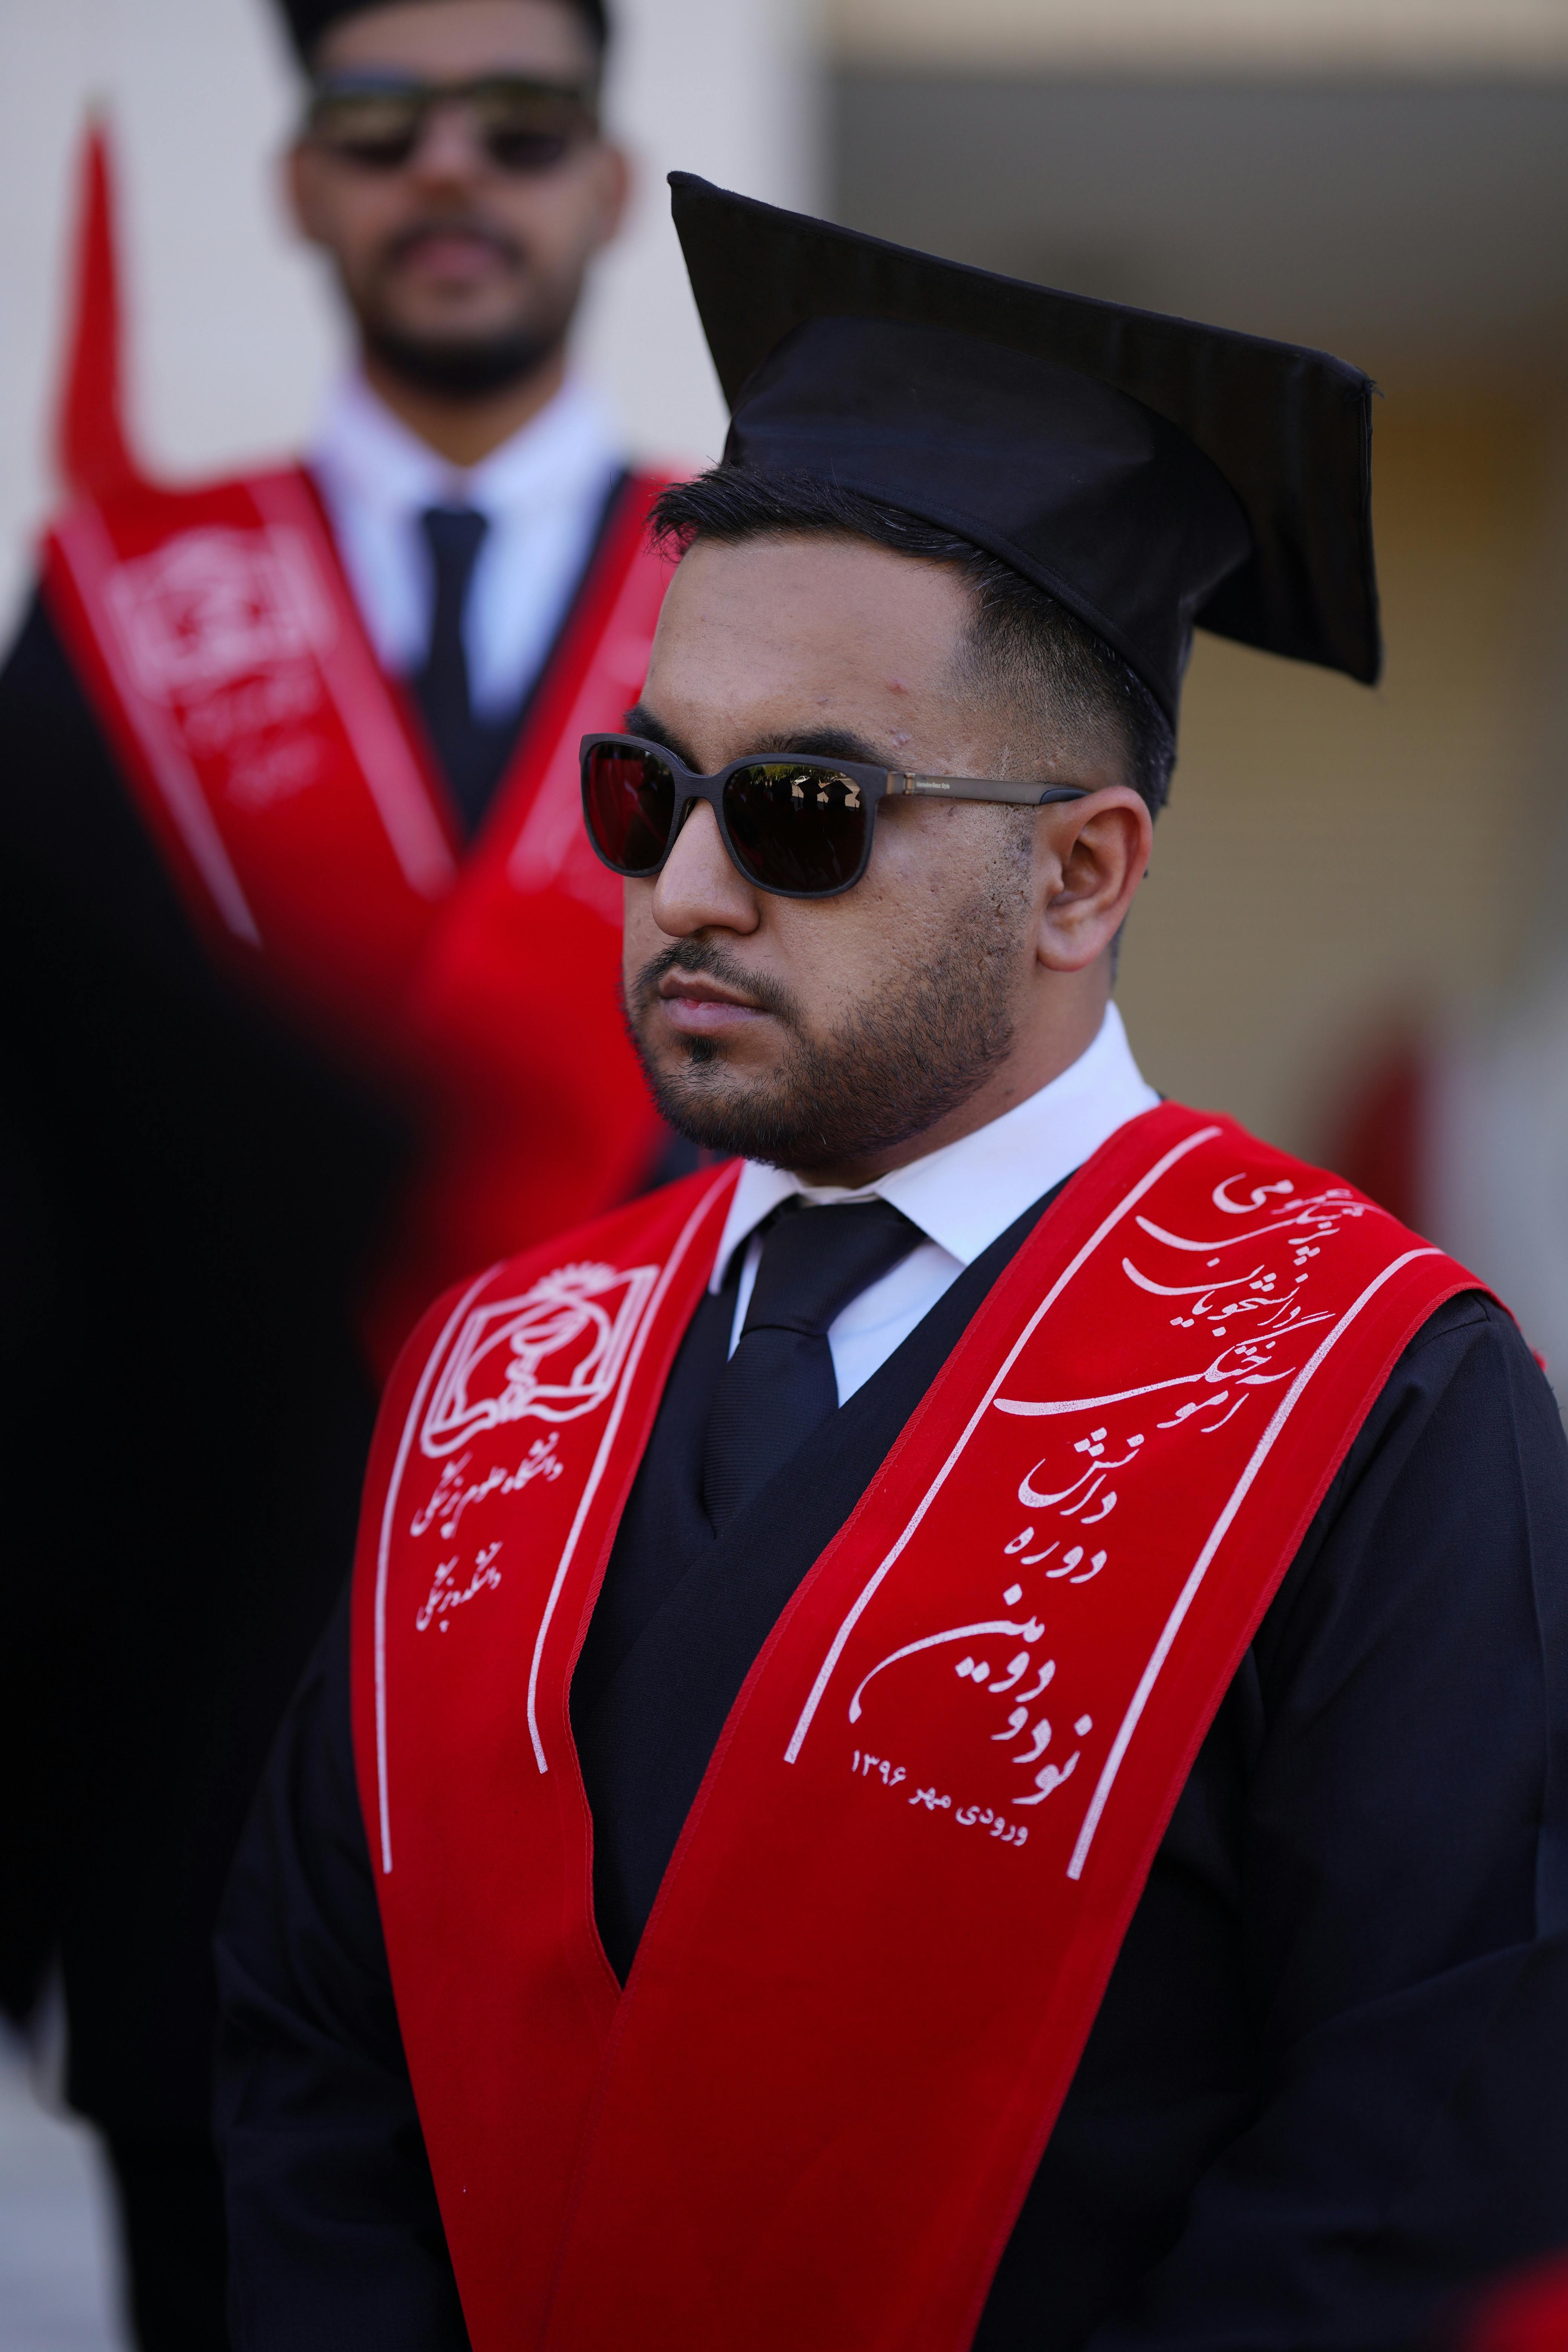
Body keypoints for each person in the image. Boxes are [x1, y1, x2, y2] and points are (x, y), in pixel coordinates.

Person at [213, 179, 1568, 2351]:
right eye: (648, 791)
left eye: (807, 812)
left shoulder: (1369, 1399)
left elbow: (1429, 2154)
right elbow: (309, 2048)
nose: (690, 889)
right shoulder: (498, 1368)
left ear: (1082, 876)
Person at [0, 3, 678, 2343]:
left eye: (524, 125)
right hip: (199, 1750)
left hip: (650, 1715)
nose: (451, 172)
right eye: (381, 127)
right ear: (302, 185)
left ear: (610, 182)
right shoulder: (126, 619)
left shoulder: (767, 604)